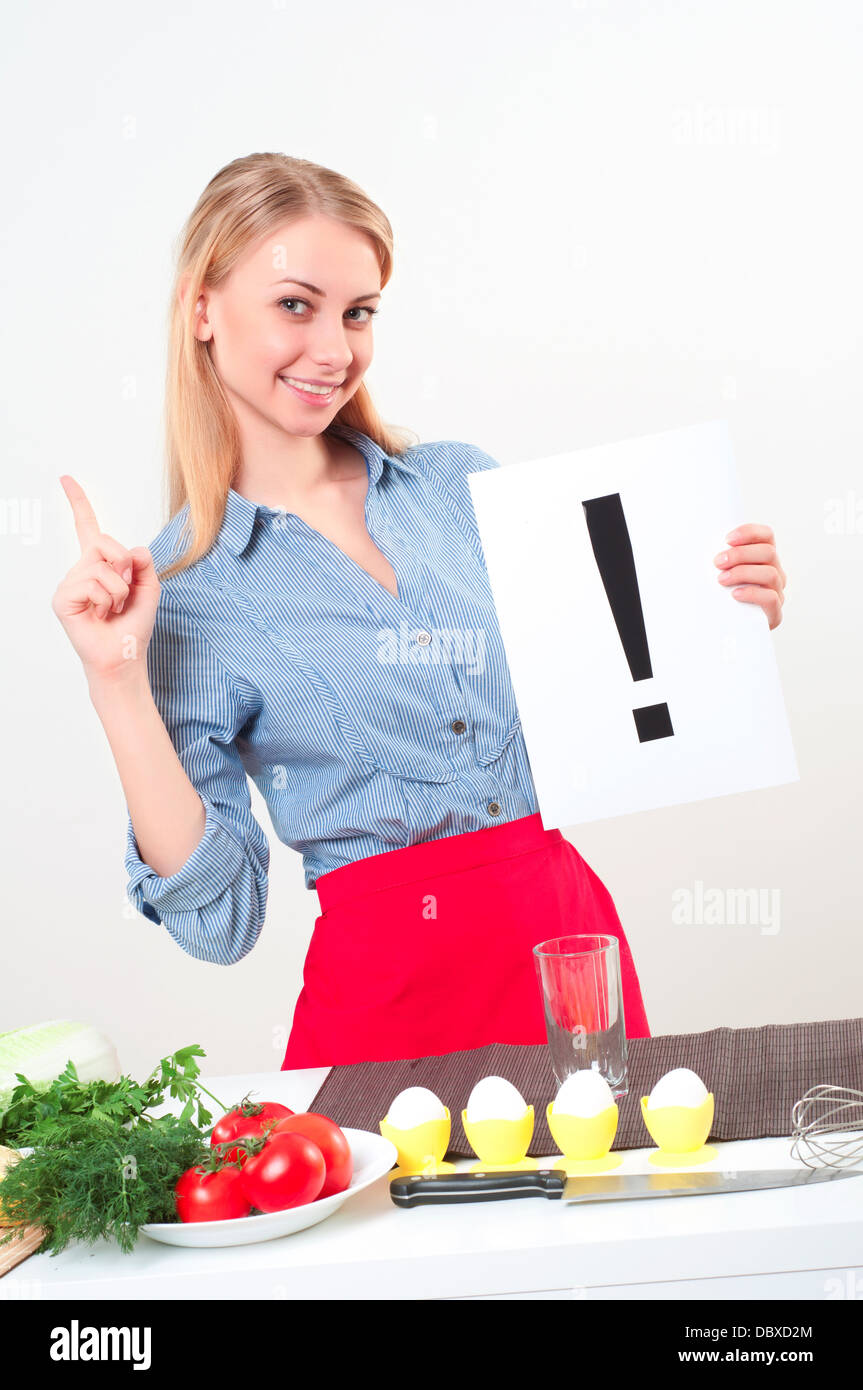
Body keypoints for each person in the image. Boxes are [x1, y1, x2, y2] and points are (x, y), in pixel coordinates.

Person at [51, 152, 788, 1068]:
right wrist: (117, 685)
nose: (335, 350)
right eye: (296, 304)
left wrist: (721, 618)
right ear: (201, 308)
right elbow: (220, 921)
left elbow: (613, 701)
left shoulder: (459, 486)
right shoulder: (181, 592)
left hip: (569, 958)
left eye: (358, 313)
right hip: (388, 1010)